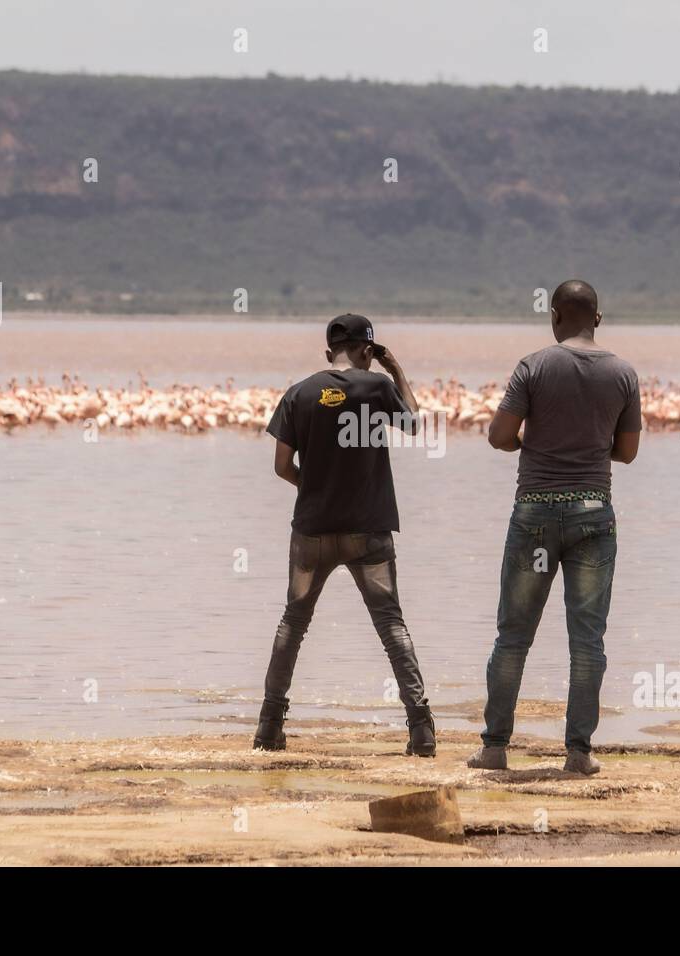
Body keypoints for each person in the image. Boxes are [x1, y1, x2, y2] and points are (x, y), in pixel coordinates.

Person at [468, 280, 641, 774]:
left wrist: (535, 446)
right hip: (593, 512)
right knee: (587, 640)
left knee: (513, 635)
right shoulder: (623, 373)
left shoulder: (534, 366)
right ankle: (578, 754)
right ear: (598, 320)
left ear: (553, 317)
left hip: (535, 514)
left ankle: (496, 748)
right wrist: (587, 450)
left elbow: (499, 435)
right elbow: (627, 453)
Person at [253, 313, 436, 756]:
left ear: (327, 352)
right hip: (369, 531)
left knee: (292, 625)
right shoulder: (377, 388)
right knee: (391, 625)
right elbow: (415, 425)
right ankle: (421, 729)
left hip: (312, 533)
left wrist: (315, 488)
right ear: (369, 351)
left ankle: (269, 729)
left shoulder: (299, 393)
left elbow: (281, 467)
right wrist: (396, 370)